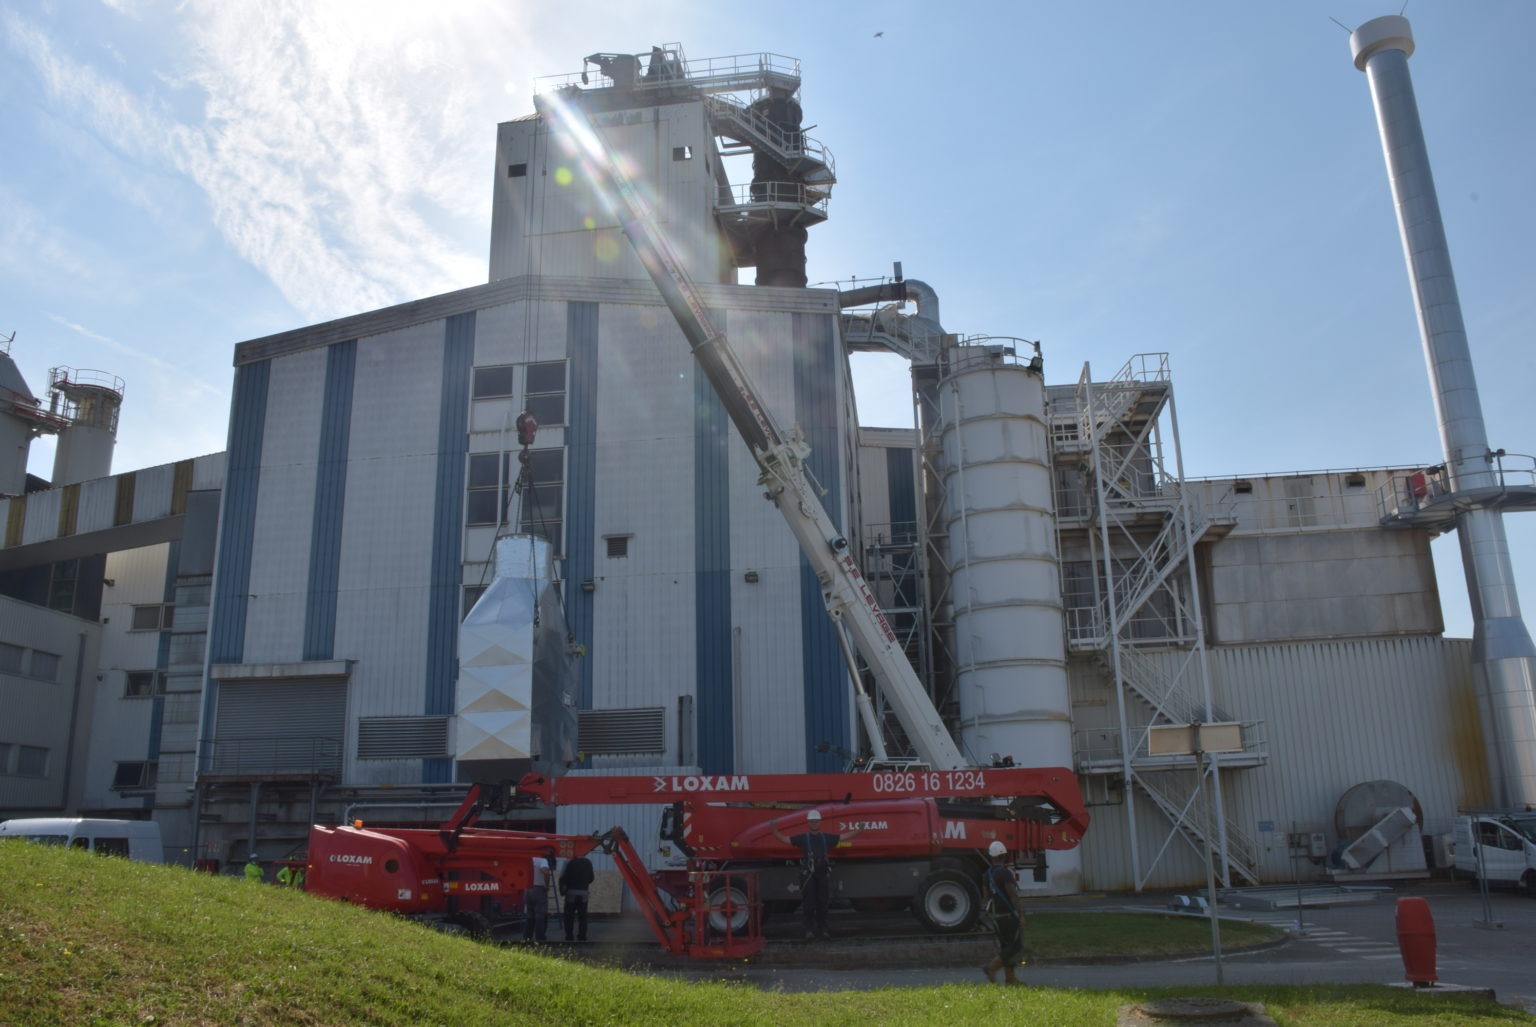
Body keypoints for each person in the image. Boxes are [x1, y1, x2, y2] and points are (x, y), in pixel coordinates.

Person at [770, 809, 861, 940]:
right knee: (809, 904)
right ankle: (808, 930)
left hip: (822, 874)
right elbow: (784, 839)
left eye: (816, 821)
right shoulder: (802, 838)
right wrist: (774, 830)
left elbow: (844, 836)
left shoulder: (827, 838)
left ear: (820, 822)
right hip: (808, 875)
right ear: (808, 822)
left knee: (823, 903)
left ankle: (823, 930)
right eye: (812, 821)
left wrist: (859, 830)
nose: (814, 824)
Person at [981, 840, 1026, 985]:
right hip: (1009, 916)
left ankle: (1010, 979)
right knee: (1016, 946)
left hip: (997, 918)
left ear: (991, 857)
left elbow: (986, 898)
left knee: (1006, 947)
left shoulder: (986, 875)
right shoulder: (1005, 873)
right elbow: (1013, 896)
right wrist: (1021, 915)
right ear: (1004, 856)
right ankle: (991, 967)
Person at [559, 853, 595, 942]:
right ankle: (582, 937)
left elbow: (562, 877)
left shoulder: (568, 862)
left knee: (569, 917)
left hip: (571, 893)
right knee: (582, 917)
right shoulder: (588, 862)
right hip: (583, 893)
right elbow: (591, 878)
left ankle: (569, 936)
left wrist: (562, 891)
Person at [523, 853, 553, 942]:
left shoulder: (529, 859)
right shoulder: (542, 860)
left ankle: (527, 936)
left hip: (528, 889)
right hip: (539, 889)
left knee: (530, 914)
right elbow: (546, 872)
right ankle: (540, 937)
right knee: (540, 915)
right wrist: (547, 886)